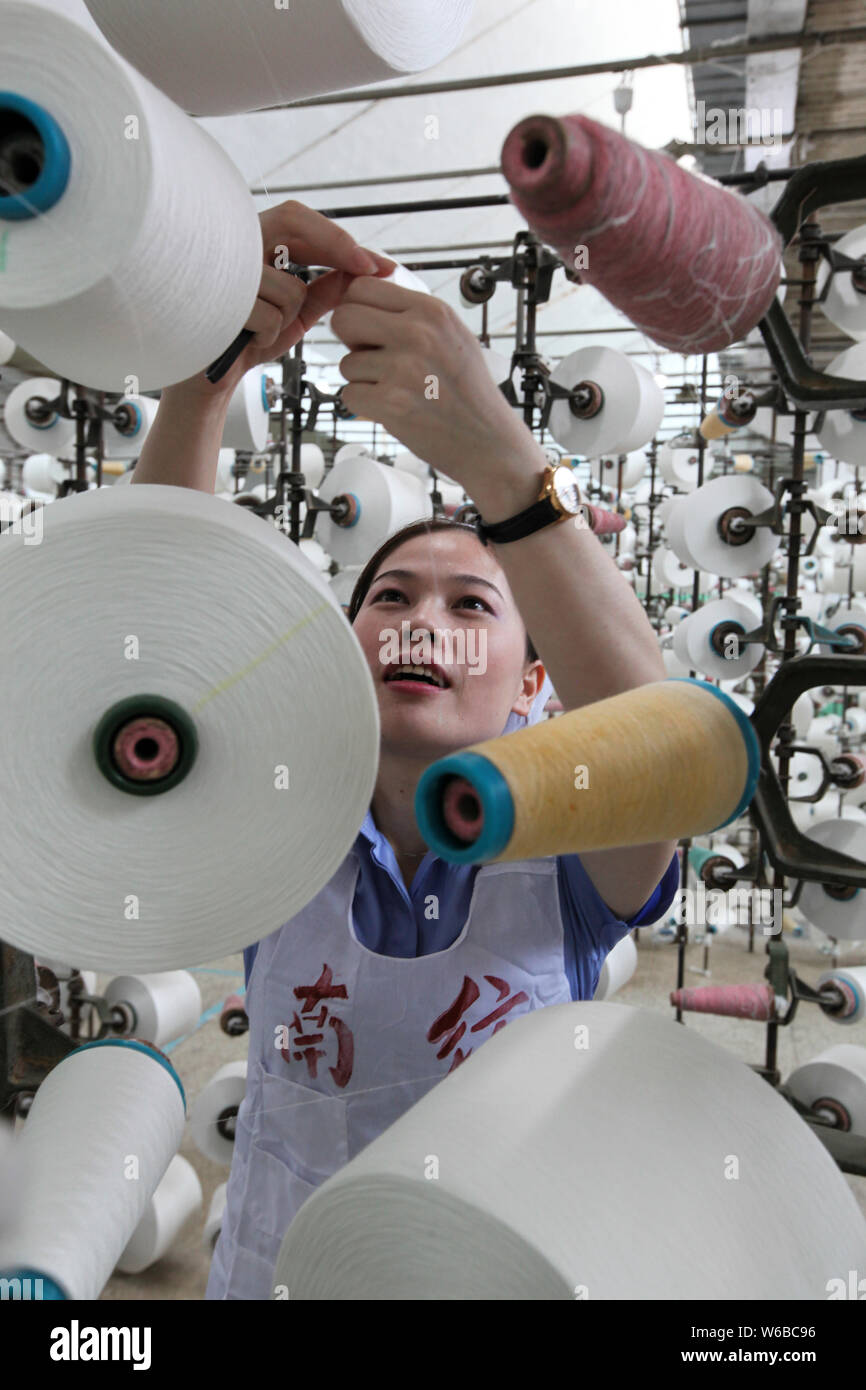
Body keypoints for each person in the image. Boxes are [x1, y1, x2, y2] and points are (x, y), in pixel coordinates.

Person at [133, 201, 680, 1299]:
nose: (422, 621)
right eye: (389, 596)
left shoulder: (569, 849)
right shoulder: (281, 824)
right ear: (347, 646)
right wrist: (206, 371)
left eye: (474, 603)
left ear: (537, 679)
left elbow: (662, 752)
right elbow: (154, 622)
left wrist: (500, 458)